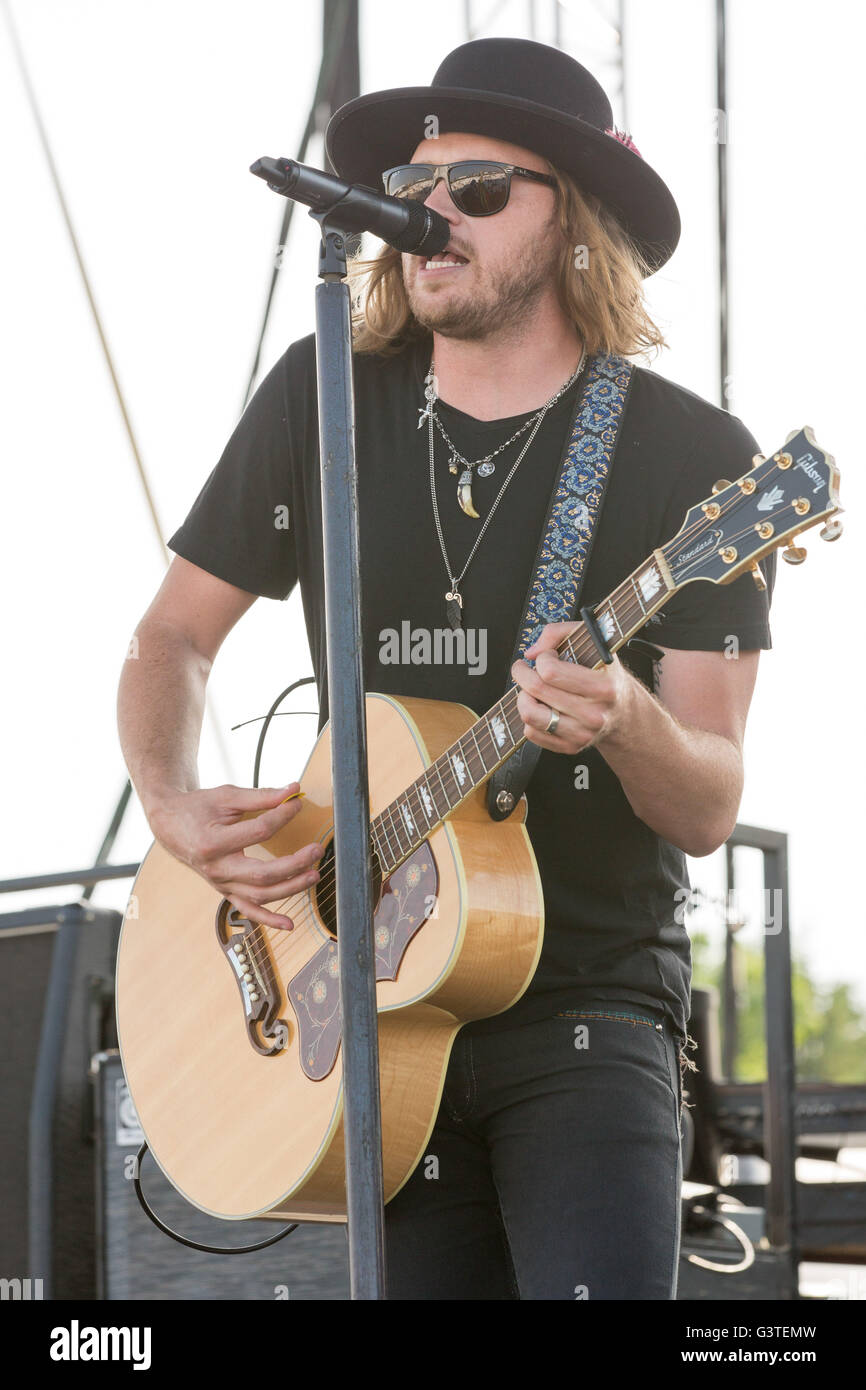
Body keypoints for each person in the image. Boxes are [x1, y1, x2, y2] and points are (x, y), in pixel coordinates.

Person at [117, 37, 775, 1299]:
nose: (430, 216)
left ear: (572, 224)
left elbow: (705, 804)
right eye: (414, 191)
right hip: (363, 1017)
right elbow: (169, 640)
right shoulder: (323, 396)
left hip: (582, 1009)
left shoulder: (694, 456)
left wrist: (625, 715)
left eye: (475, 189)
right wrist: (171, 797)